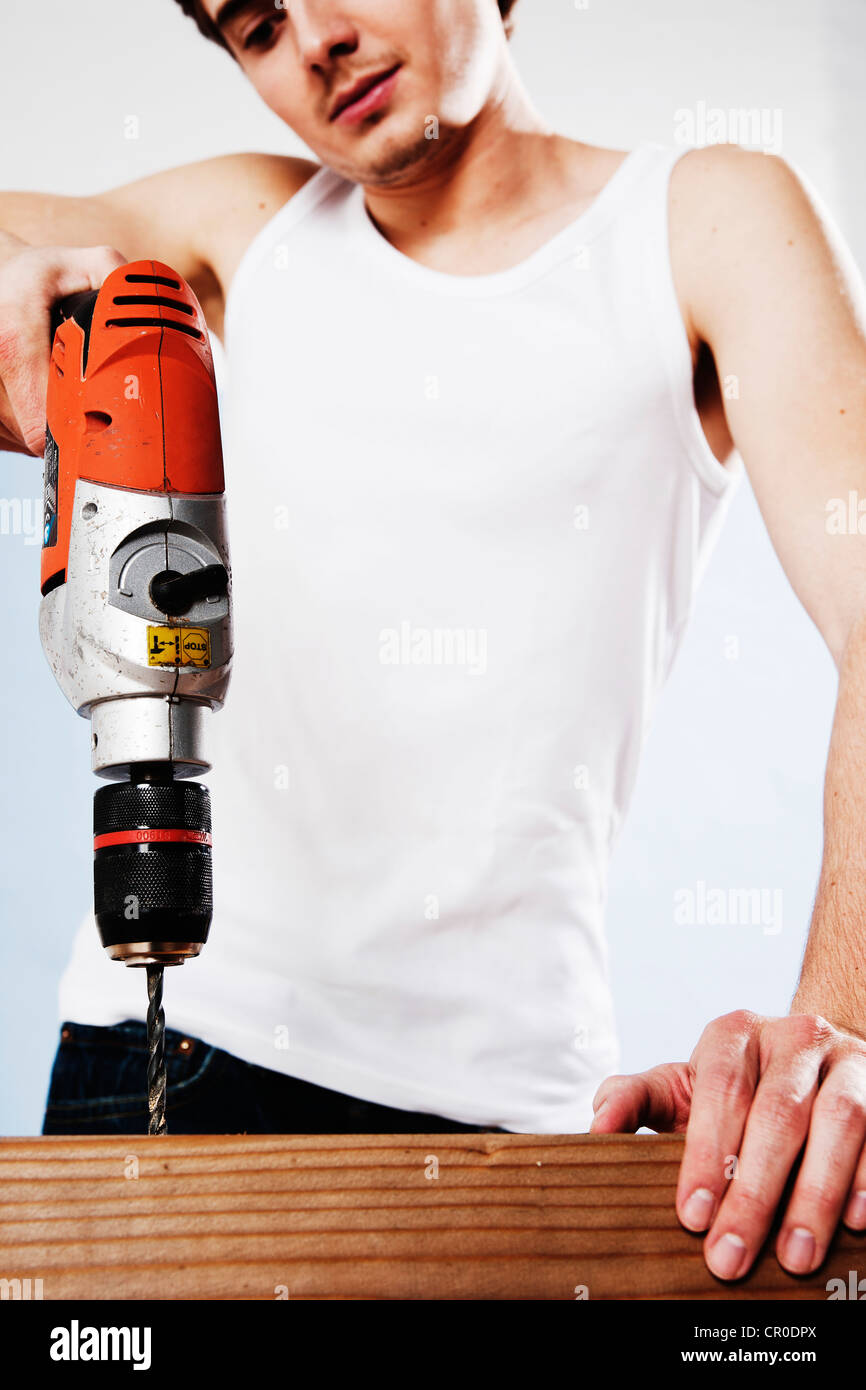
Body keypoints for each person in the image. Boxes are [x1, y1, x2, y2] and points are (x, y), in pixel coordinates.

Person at [2, 0, 865, 1286]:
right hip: (161, 1054)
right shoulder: (249, 231)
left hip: (517, 1110)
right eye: (253, 25)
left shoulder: (702, 225)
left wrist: (831, 1032)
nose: (313, 42)